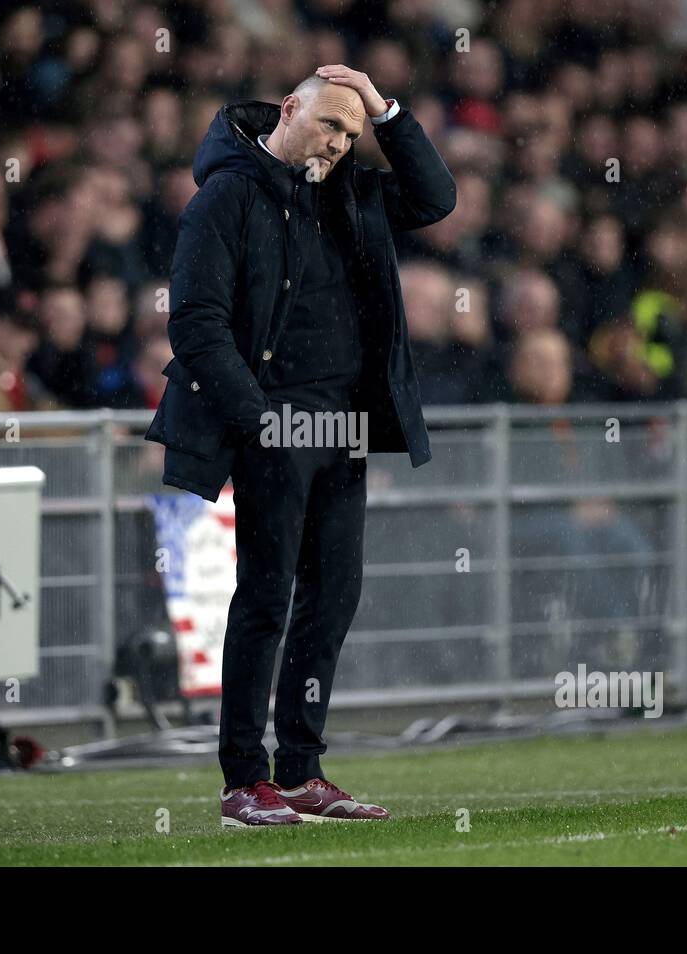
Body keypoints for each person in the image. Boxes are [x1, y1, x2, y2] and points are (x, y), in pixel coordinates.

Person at [144, 64, 455, 826]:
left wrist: (387, 110)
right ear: (290, 109)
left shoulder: (351, 190)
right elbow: (196, 324)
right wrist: (258, 421)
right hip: (274, 425)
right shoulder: (225, 196)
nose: (343, 143)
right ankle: (243, 780)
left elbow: (436, 198)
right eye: (332, 126)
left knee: (332, 600)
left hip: (343, 426)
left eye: (354, 134)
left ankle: (302, 770)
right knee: (265, 599)